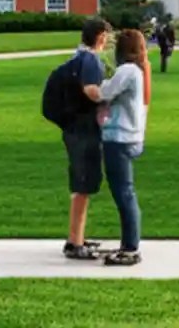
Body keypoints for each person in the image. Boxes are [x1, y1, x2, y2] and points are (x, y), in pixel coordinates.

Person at [86, 28, 149, 266]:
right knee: (125, 192)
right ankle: (128, 245)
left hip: (120, 138)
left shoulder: (127, 71)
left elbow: (103, 93)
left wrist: (88, 87)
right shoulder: (138, 71)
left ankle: (131, 248)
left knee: (124, 193)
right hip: (131, 137)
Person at [61, 18, 110, 260]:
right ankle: (75, 243)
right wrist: (110, 96)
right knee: (83, 185)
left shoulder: (78, 57)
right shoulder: (90, 60)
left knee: (82, 185)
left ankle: (77, 237)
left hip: (75, 127)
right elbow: (90, 90)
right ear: (100, 36)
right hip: (83, 129)